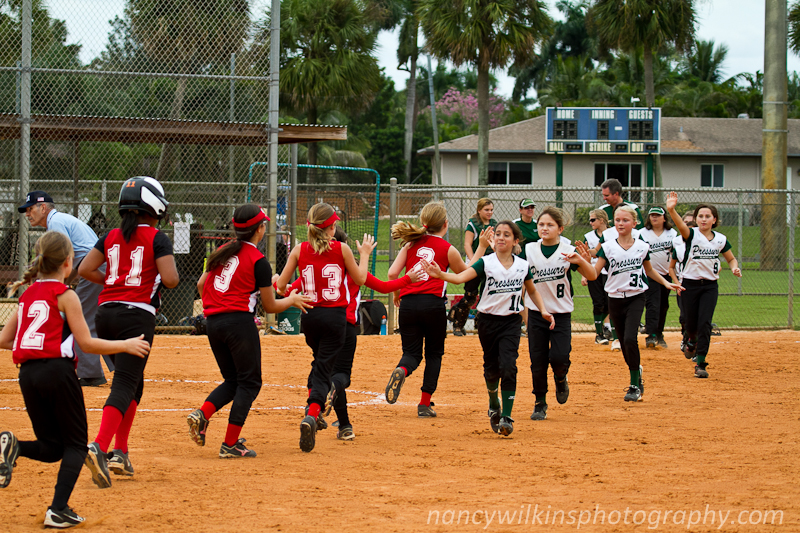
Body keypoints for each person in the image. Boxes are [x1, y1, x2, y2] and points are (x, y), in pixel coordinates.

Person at [0, 231, 149, 528]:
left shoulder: (26, 295)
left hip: (28, 375)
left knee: (53, 446)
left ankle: (13, 445)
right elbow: (88, 343)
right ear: (68, 263)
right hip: (58, 373)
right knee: (77, 446)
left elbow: (6, 340)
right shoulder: (66, 295)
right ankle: (58, 509)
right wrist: (126, 345)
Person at [187, 204, 312, 458]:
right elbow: (270, 305)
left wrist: (220, 304)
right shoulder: (258, 260)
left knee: (234, 380)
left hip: (213, 322)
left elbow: (202, 284)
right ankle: (230, 444)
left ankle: (203, 414)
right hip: (238, 324)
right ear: (259, 229)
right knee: (250, 382)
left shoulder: (222, 251)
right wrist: (292, 300)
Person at [78, 176, 179, 487]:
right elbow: (172, 279)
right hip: (136, 317)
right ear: (154, 205)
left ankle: (120, 452)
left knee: (134, 384)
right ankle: (100, 445)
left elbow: (84, 270)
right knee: (124, 383)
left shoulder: (109, 235)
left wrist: (113, 283)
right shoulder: (157, 237)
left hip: (106, 313)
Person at [426, 221, 554, 436]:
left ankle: (507, 416)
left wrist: (542, 310)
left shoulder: (522, 265)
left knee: (509, 367)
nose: (502, 238)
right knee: (492, 368)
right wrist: (441, 275)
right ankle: (494, 401)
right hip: (487, 322)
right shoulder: (485, 263)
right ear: (493, 240)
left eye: (507, 234)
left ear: (515, 240)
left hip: (511, 322)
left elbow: (532, 291)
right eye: (498, 235)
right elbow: (460, 277)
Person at [275, 203, 374, 453]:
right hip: (335, 318)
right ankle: (312, 413)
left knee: (319, 364)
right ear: (329, 228)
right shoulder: (341, 249)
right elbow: (360, 279)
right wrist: (364, 254)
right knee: (324, 372)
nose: (335, 228)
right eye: (333, 225)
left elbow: (281, 286)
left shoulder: (299, 249)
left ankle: (315, 412)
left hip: (309, 317)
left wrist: (293, 294)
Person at [384, 201, 490, 418]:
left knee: (411, 354)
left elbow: (392, 274)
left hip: (408, 305)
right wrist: (481, 247)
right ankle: (424, 403)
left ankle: (402, 370)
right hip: (432, 305)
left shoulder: (410, 244)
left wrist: (397, 295)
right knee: (434, 354)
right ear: (445, 224)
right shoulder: (447, 249)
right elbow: (466, 273)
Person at [18, 190, 113, 387]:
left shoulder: (55, 223)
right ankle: (118, 366)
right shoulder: (59, 220)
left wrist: (47, 283)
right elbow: (73, 258)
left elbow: (62, 256)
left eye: (30, 209)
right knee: (95, 318)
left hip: (93, 267)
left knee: (81, 320)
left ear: (43, 207)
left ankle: (90, 374)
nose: (27, 214)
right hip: (94, 266)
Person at [593, 205, 682, 402]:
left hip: (636, 297)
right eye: (617, 220)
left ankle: (634, 385)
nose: (621, 223)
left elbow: (649, 270)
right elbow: (593, 273)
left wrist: (666, 282)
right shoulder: (607, 247)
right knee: (625, 344)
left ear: (635, 223)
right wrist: (582, 261)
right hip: (615, 298)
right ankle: (637, 371)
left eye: (625, 220)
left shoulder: (642, 246)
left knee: (629, 339)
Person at [525, 208, 596, 421]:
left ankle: (560, 376)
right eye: (541, 225)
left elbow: (592, 276)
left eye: (550, 225)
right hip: (537, 313)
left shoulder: (567, 250)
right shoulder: (529, 250)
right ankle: (540, 402)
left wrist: (582, 260)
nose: (544, 228)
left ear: (560, 229)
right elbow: (520, 278)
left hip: (561, 313)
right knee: (537, 360)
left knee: (559, 357)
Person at [666, 192, 741, 378]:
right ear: (696, 219)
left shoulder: (720, 239)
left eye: (708, 216)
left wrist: (734, 268)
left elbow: (731, 258)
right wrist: (671, 209)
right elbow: (681, 225)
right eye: (701, 216)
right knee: (690, 323)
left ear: (714, 219)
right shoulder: (691, 235)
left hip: (709, 286)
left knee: (705, 323)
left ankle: (700, 363)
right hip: (690, 284)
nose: (704, 219)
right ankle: (691, 340)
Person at [448, 197, 497, 336]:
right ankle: (458, 325)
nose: (490, 212)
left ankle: (480, 323)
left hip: (490, 262)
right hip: (476, 262)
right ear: (479, 210)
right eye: (486, 210)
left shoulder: (494, 224)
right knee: (470, 296)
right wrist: (473, 261)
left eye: (491, 210)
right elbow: (467, 244)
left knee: (488, 294)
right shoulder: (473, 224)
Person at [640, 207, 678, 349]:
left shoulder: (672, 234)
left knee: (663, 305)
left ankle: (659, 333)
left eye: (657, 215)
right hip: (650, 274)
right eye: (652, 215)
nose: (654, 218)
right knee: (653, 304)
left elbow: (676, 253)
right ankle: (651, 335)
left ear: (664, 218)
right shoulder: (642, 234)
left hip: (666, 275)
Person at [582, 209, 611, 344]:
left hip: (610, 273)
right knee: (598, 303)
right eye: (590, 219)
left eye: (593, 219)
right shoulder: (589, 236)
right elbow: (586, 255)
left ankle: (608, 328)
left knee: (610, 303)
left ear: (602, 220)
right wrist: (584, 275)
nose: (590, 222)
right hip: (594, 273)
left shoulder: (613, 234)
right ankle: (599, 334)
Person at [669, 217, 697, 351]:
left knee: (699, 317)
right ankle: (686, 336)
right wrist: (676, 283)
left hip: (698, 284)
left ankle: (696, 342)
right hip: (683, 284)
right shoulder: (678, 247)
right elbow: (671, 267)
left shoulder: (703, 248)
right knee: (684, 316)